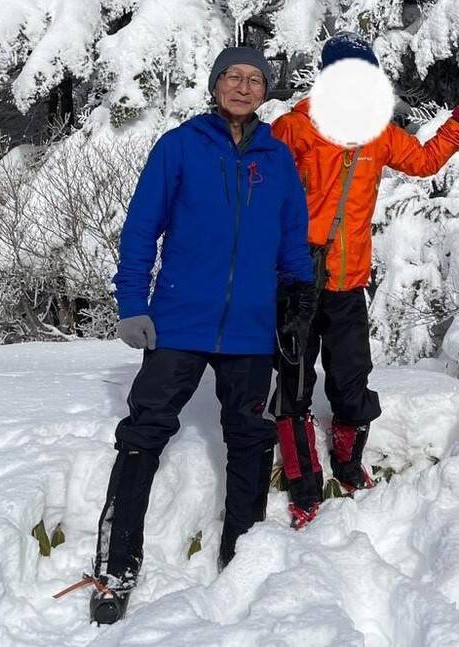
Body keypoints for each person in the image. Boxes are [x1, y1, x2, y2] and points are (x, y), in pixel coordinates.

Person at [83, 46, 315, 625]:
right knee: (142, 434)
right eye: (233, 77)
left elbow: (292, 237)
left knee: (250, 438)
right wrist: (133, 304)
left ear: (265, 91)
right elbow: (141, 229)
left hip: (250, 331)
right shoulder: (181, 146)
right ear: (215, 85)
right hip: (179, 322)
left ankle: (241, 557)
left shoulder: (277, 159)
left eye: (254, 79)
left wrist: (299, 295)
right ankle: (115, 567)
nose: (243, 87)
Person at [269, 32, 459, 528]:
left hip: (348, 281)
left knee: (352, 380)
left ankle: (347, 462)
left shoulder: (378, 134)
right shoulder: (292, 129)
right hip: (295, 279)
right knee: (293, 386)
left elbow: (423, 162)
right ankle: (304, 486)